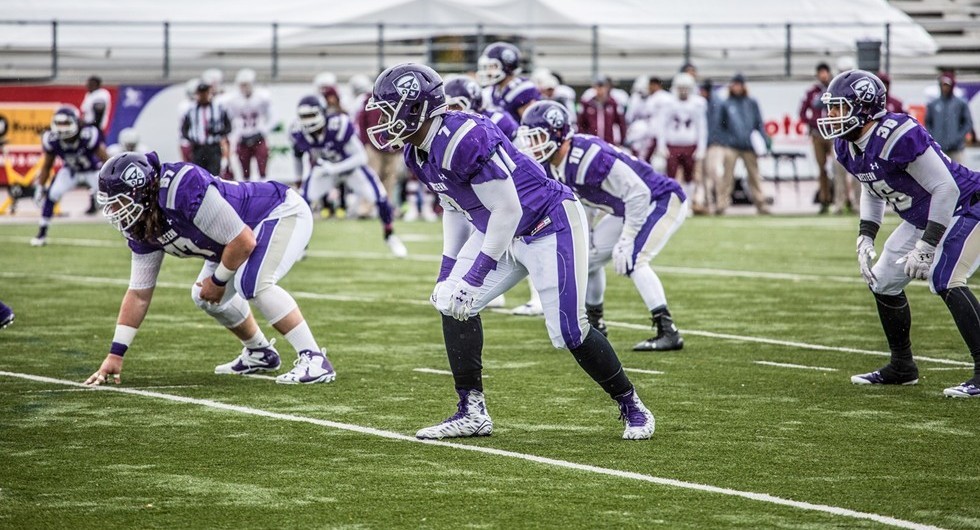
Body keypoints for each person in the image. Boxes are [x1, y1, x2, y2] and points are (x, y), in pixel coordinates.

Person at [366, 63, 655, 439]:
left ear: (414, 107)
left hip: (548, 223)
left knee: (570, 330)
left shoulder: (463, 138)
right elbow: (455, 212)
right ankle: (472, 410)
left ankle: (631, 403)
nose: (383, 120)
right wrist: (447, 274)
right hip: (501, 232)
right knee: (452, 300)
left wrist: (474, 276)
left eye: (388, 109)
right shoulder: (416, 153)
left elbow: (509, 209)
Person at [84, 151, 336, 386]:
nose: (115, 211)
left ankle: (314, 359)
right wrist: (116, 354)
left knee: (253, 283)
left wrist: (218, 280)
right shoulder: (142, 224)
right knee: (202, 296)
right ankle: (260, 353)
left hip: (277, 212)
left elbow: (243, 241)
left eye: (120, 202)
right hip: (233, 239)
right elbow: (139, 294)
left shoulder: (180, 189)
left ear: (141, 191)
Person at [818, 69, 980, 398]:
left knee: (945, 278)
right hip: (928, 215)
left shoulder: (896, 133)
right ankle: (903, 366)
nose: (831, 115)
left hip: (966, 204)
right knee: (883, 281)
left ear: (862, 107)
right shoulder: (847, 146)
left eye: (838, 107)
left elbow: (946, 189)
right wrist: (866, 235)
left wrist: (926, 245)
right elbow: (872, 187)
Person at [519, 100, 688, 351]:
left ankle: (667, 329)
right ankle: (596, 323)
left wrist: (627, 237)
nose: (533, 146)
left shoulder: (589, 156)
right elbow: (582, 201)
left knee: (634, 257)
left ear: (558, 133)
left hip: (659, 199)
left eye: (539, 137)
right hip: (627, 208)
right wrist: (584, 232)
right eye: (530, 139)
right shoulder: (553, 165)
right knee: (587, 258)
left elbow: (639, 193)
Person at [290, 95, 407, 257]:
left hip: (351, 169)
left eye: (311, 115)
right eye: (304, 116)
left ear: (322, 113)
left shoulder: (339, 125)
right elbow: (297, 157)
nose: (307, 121)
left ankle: (390, 235)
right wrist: (298, 180)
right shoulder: (297, 132)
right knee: (302, 203)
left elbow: (361, 157)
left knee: (380, 198)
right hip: (325, 171)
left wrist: (335, 168)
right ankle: (301, 245)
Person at [31, 106, 109, 246]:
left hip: (92, 171)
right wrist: (40, 187)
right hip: (70, 171)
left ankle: (129, 232)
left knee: (112, 198)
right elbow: (47, 166)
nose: (62, 128)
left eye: (66, 123)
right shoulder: (52, 139)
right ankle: (42, 232)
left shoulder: (88, 135)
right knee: (53, 193)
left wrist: (110, 182)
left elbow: (106, 160)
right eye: (59, 124)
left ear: (76, 122)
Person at [714, 73, 771, 215]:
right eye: (734, 85)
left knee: (754, 176)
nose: (737, 87)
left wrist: (764, 140)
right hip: (731, 146)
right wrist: (725, 141)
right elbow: (721, 125)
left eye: (739, 84)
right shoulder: (726, 103)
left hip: (748, 146)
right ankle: (722, 204)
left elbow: (758, 123)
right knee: (727, 177)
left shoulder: (751, 102)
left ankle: (761, 204)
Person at [657, 73, 707, 204]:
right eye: (681, 88)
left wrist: (701, 147)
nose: (683, 91)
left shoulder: (697, 104)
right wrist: (661, 146)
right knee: (670, 175)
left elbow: (701, 127)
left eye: (686, 88)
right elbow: (662, 125)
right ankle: (670, 202)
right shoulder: (669, 103)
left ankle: (688, 202)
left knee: (689, 176)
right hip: (673, 144)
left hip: (690, 144)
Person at [225, 68, 274, 181]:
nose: (244, 87)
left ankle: (264, 191)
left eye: (246, 84)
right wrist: (235, 134)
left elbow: (271, 117)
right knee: (245, 172)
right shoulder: (233, 100)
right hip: (243, 139)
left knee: (262, 170)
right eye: (242, 85)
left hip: (258, 137)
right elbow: (230, 119)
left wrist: (264, 130)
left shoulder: (262, 98)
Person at [799, 63, 834, 213]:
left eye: (825, 72)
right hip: (818, 134)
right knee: (822, 169)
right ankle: (824, 199)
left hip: (834, 134)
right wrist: (812, 124)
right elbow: (802, 112)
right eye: (821, 73)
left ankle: (841, 199)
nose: (823, 75)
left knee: (838, 167)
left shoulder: (835, 89)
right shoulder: (812, 92)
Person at [477, 42, 541, 121]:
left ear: (507, 66)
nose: (488, 71)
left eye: (492, 66)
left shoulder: (521, 89)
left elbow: (531, 122)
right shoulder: (493, 91)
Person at [180, 81, 231, 178]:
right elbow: (184, 129)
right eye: (201, 93)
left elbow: (228, 126)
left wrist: (218, 133)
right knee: (199, 175)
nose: (203, 95)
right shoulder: (191, 111)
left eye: (205, 92)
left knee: (214, 175)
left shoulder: (218, 109)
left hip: (213, 147)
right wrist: (192, 139)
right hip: (198, 148)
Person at [444, 75, 518, 141]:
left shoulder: (498, 121)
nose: (450, 111)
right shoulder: (445, 130)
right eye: (447, 107)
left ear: (474, 103)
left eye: (455, 106)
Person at [925, 71, 973, 164]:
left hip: (956, 149)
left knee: (957, 176)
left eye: (947, 85)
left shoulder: (960, 104)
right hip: (939, 150)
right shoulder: (933, 104)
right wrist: (934, 137)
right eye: (943, 85)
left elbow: (967, 123)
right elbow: (928, 123)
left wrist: (957, 138)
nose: (945, 88)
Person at [578, 76, 627, 146]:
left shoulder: (613, 104)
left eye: (602, 87)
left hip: (608, 142)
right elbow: (581, 124)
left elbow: (621, 123)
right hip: (593, 142)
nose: (600, 90)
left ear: (607, 88)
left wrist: (622, 141)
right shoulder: (588, 105)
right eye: (598, 87)